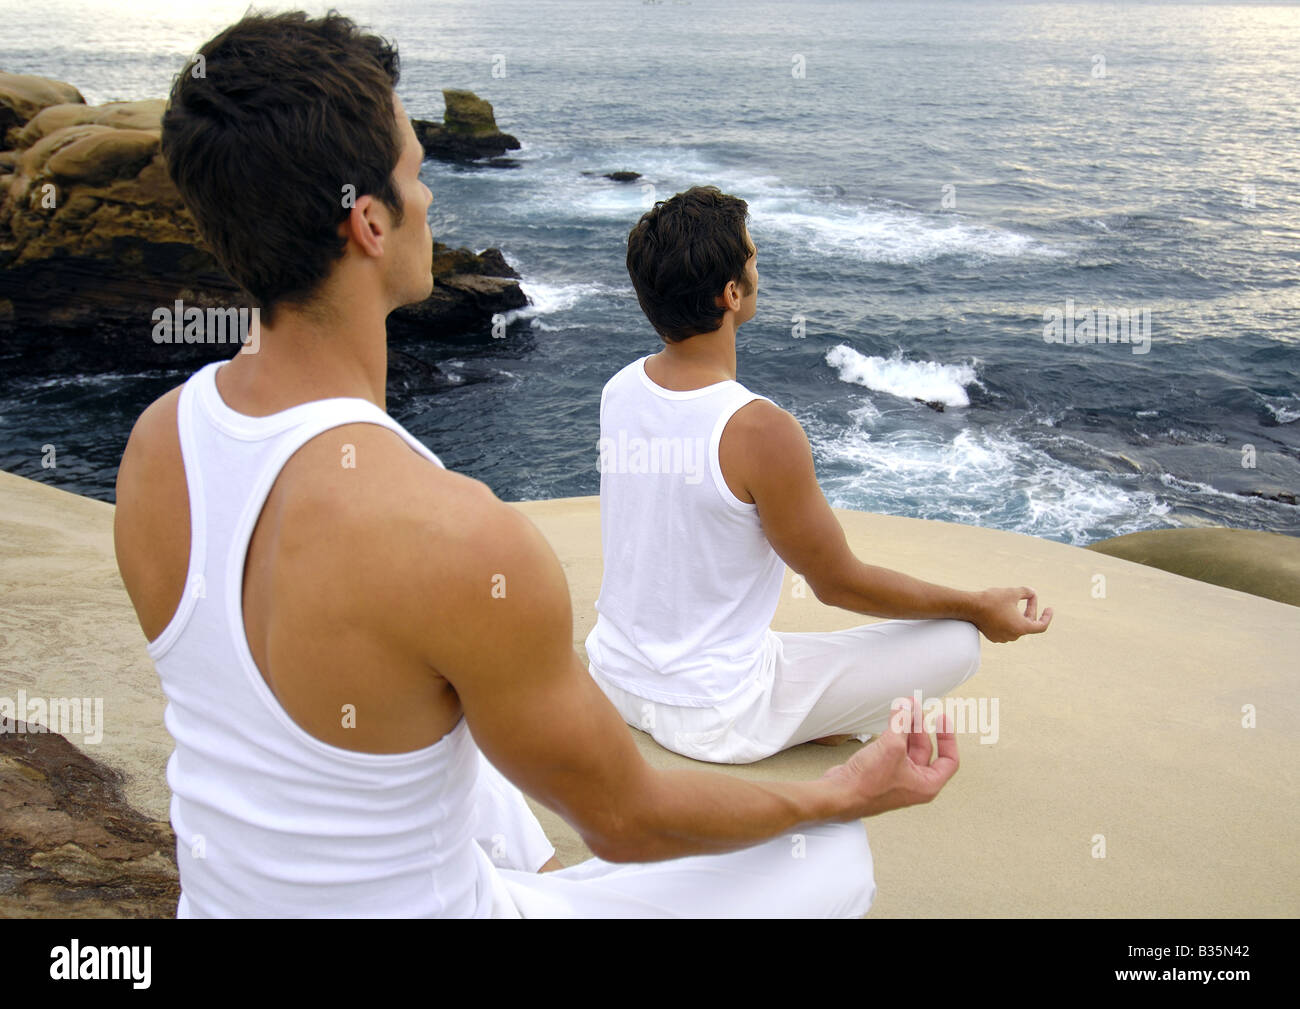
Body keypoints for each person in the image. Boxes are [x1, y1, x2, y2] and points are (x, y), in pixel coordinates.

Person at [112, 11, 959, 918]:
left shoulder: (158, 444)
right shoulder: (454, 533)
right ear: (368, 222)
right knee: (829, 856)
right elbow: (625, 817)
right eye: (417, 175)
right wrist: (844, 793)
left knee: (439, 733)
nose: (431, 201)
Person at [585, 186, 1054, 764]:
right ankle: (803, 722)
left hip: (613, 679)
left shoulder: (620, 388)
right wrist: (978, 605)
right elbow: (838, 584)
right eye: (753, 257)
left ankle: (810, 710)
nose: (759, 265)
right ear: (731, 293)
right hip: (714, 713)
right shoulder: (761, 429)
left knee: (779, 650)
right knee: (956, 642)